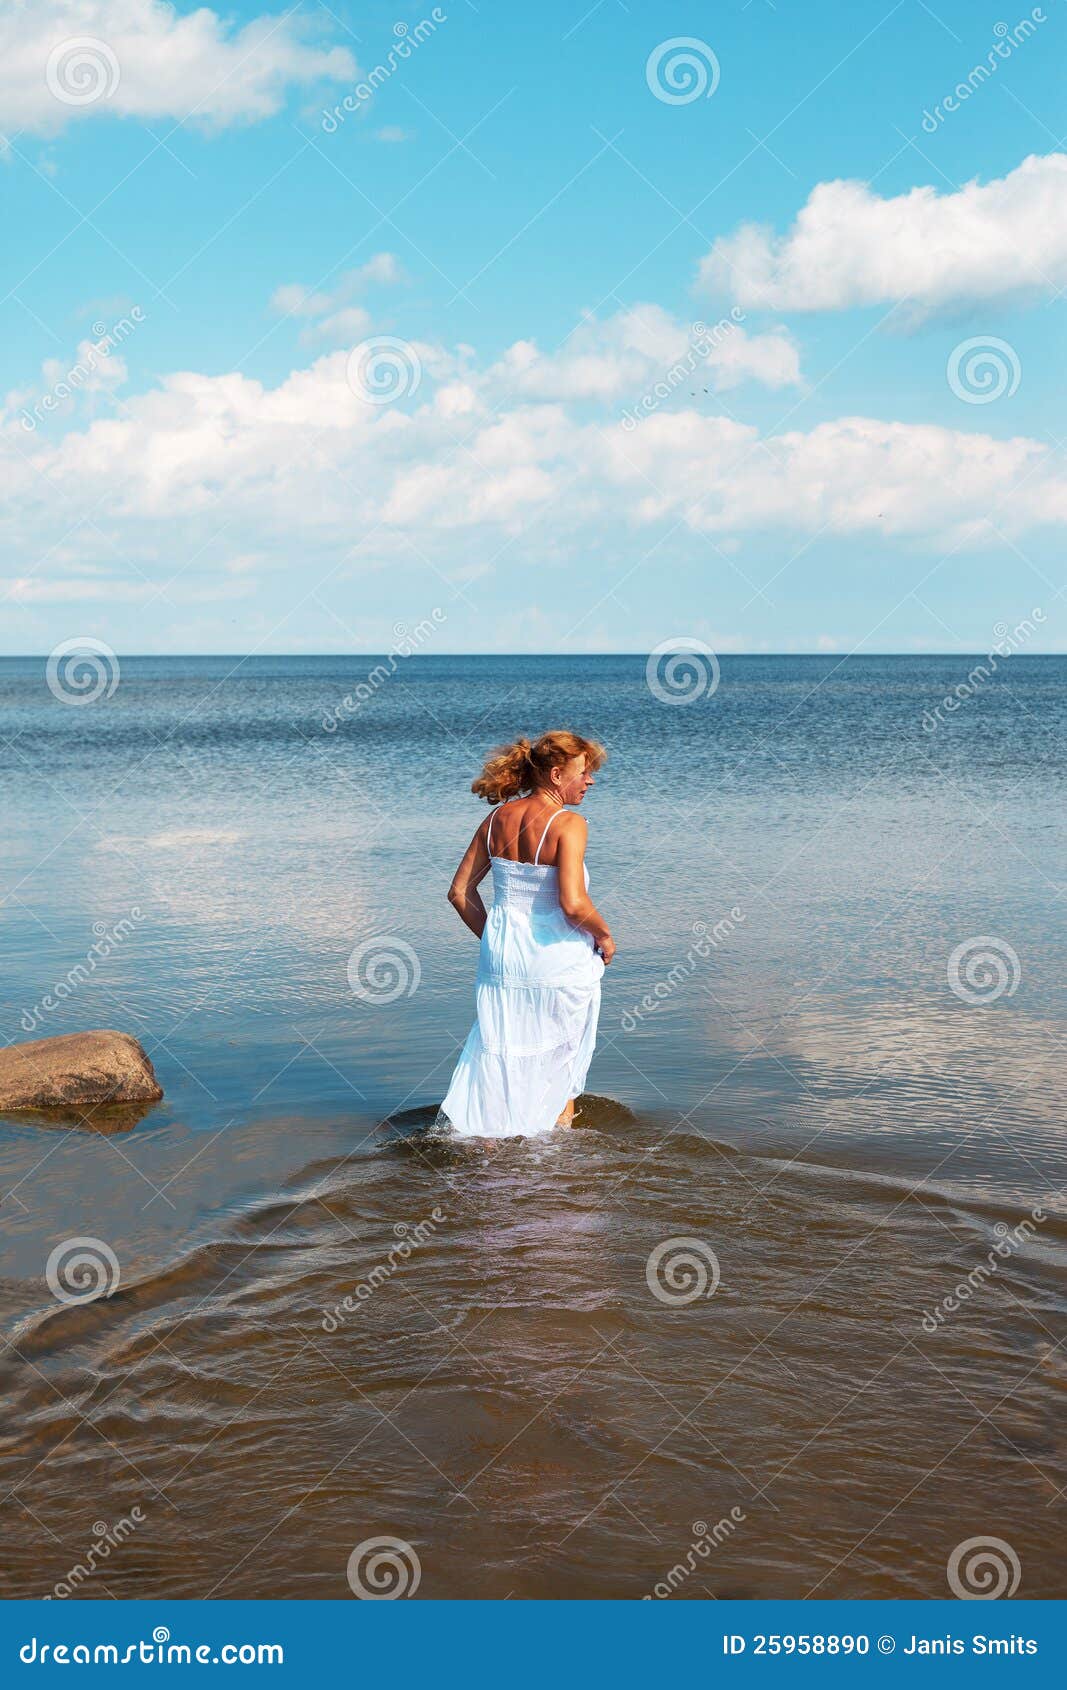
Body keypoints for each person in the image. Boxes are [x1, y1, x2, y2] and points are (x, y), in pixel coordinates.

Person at [441, 731, 615, 1138]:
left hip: (503, 960)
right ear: (557, 775)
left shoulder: (496, 819)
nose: (590, 781)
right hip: (557, 960)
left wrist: (494, 940)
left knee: (500, 1053)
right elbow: (572, 903)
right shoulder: (568, 824)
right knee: (558, 1058)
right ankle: (549, 1160)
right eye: (584, 773)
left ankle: (490, 1146)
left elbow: (459, 892)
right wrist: (605, 936)